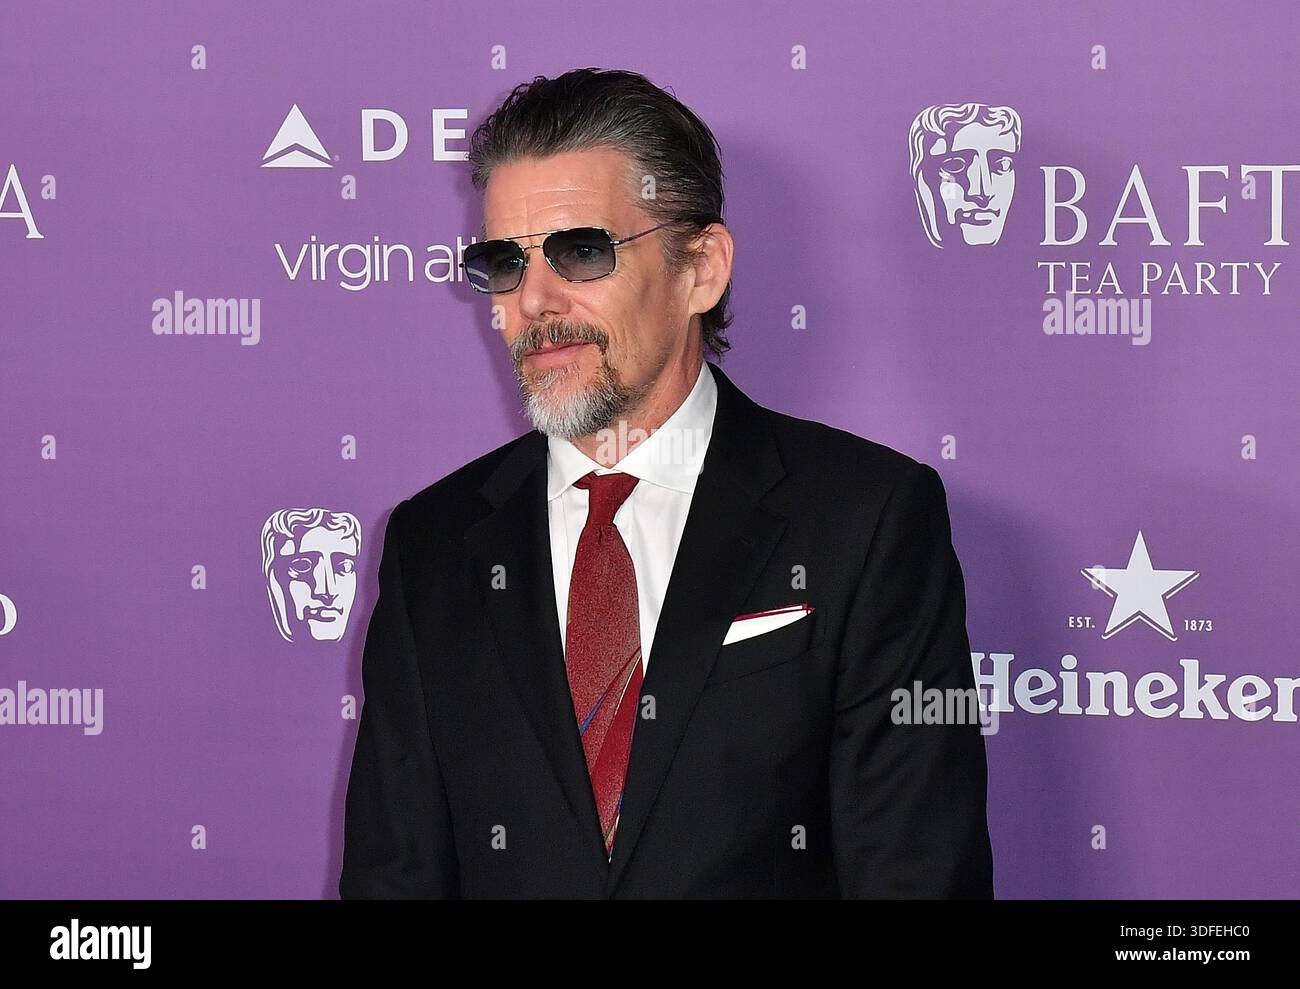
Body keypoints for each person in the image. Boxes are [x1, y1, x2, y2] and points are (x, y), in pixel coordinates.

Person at [339, 67, 994, 898]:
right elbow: (393, 876)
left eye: (582, 250)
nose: (533, 298)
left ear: (701, 269)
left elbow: (917, 875)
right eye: (504, 261)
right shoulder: (432, 543)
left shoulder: (865, 519)